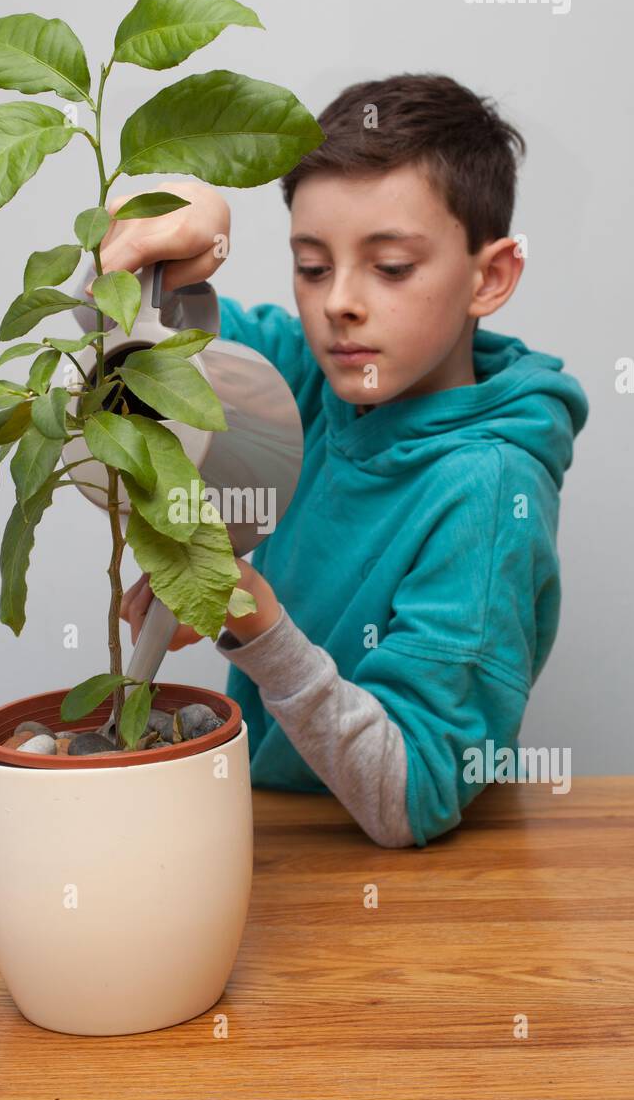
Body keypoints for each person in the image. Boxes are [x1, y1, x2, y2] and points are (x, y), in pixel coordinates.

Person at [104, 73, 589, 848]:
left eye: (390, 267)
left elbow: (413, 796)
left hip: (404, 902)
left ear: (488, 277)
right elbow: (133, 355)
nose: (339, 304)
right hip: (278, 837)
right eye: (312, 266)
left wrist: (249, 618)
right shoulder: (310, 374)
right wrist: (186, 215)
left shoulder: (489, 492)